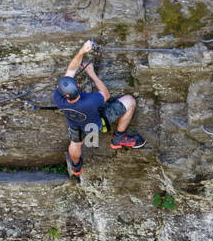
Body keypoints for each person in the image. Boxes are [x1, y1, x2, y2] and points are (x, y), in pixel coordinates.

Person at [53, 40, 145, 179]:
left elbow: (70, 71)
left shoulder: (59, 98)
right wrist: (91, 73)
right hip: (95, 124)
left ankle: (76, 166)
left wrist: (81, 52)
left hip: (76, 125)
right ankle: (118, 139)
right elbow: (106, 95)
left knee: (75, 144)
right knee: (130, 101)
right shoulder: (90, 101)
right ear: (78, 86)